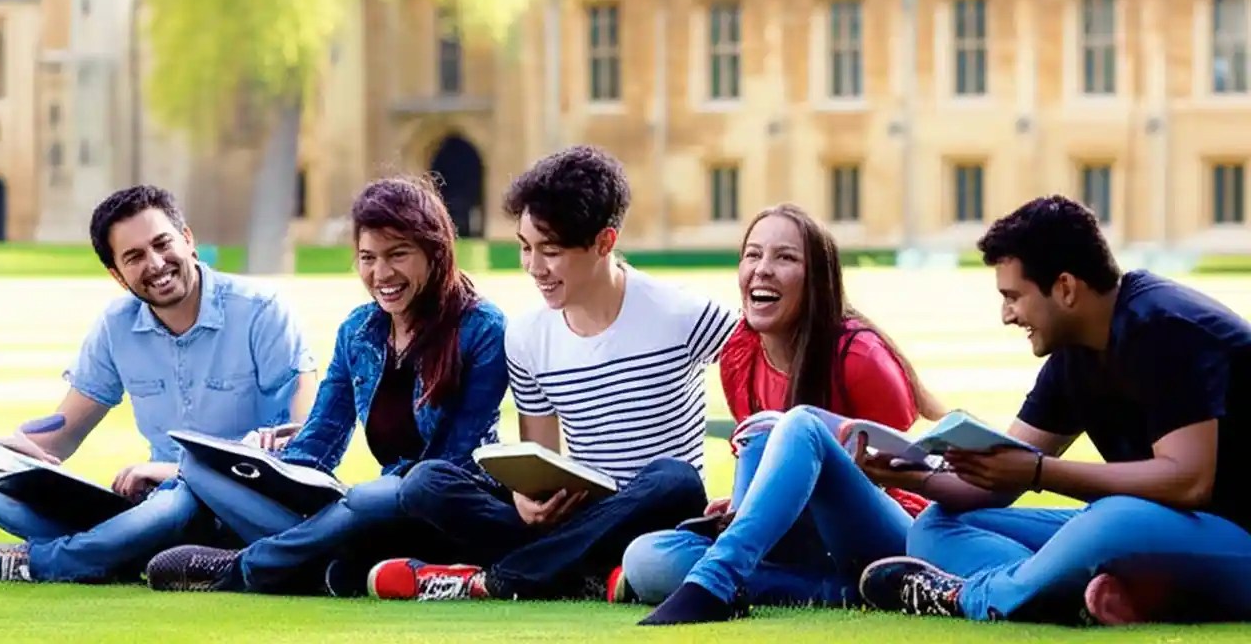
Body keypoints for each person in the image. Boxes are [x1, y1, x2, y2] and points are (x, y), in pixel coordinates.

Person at [363, 144, 737, 603]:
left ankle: (490, 580)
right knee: (426, 483)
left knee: (675, 479)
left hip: (647, 518)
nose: (534, 268)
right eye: (525, 248)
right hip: (574, 518)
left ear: (605, 242)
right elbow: (541, 462)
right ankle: (582, 576)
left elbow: (767, 364)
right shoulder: (526, 336)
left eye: (551, 251)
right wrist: (528, 500)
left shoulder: (680, 313)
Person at [857, 194, 1251, 626]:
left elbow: (1189, 481)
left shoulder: (1165, 327)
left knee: (1112, 518)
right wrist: (909, 474)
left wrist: (1038, 472)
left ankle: (968, 596)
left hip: (1233, 536)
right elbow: (996, 483)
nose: (1007, 315)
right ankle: (1061, 596)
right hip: (1169, 531)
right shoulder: (1074, 354)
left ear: (1064, 288)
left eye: (1013, 296)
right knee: (937, 526)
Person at [140, 175, 510, 596]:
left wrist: (360, 499)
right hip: (365, 513)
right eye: (367, 257)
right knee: (198, 465)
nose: (381, 273)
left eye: (398, 255)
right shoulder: (359, 331)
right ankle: (330, 569)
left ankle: (244, 569)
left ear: (435, 252)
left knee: (377, 498)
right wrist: (269, 474)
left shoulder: (482, 329)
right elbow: (319, 441)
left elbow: (455, 461)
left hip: (444, 510)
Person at [0, 185, 317, 584]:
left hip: (244, 504)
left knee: (177, 499)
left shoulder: (261, 310)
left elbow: (304, 441)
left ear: (188, 240)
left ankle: (45, 563)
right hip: (155, 506)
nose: (155, 264)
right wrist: (14, 457)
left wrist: (173, 470)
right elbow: (62, 433)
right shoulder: (116, 326)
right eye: (134, 257)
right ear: (118, 275)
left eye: (162, 243)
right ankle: (132, 554)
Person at [619, 203, 944, 625]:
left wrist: (790, 494)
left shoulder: (860, 356)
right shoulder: (739, 354)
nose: (763, 269)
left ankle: (716, 585)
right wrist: (750, 504)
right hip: (793, 544)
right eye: (752, 255)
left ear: (817, 279)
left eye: (784, 257)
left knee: (790, 427)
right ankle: (836, 593)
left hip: (881, 537)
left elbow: (908, 488)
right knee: (646, 558)